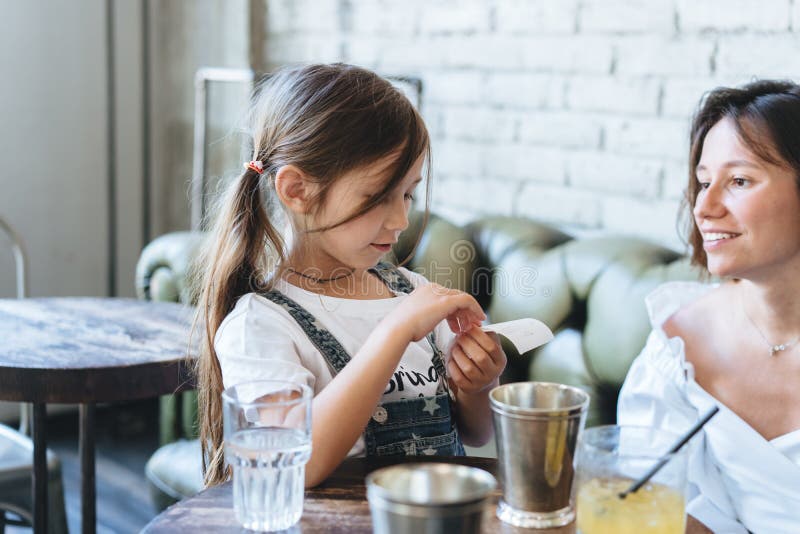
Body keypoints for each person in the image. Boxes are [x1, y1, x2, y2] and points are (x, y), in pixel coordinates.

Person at [194, 63, 506, 488]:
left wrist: (477, 387)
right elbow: (291, 464)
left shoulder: (410, 294)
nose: (400, 219)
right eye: (379, 196)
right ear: (297, 191)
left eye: (408, 194)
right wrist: (393, 333)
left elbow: (478, 433)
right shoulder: (261, 325)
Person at [618, 79, 800, 533]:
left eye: (739, 180)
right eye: (702, 182)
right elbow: (657, 513)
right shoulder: (674, 352)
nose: (704, 207)